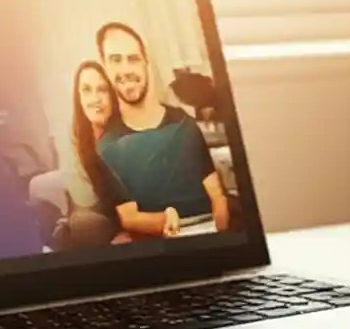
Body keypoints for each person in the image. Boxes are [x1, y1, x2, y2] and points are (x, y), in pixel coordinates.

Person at [94, 21, 230, 234]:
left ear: (145, 63)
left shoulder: (183, 123)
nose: (126, 69)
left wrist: (222, 231)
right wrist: (164, 221)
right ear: (105, 68)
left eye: (133, 59)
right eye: (115, 60)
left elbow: (216, 194)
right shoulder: (108, 148)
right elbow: (128, 218)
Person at [65, 60, 176, 242]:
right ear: (78, 98)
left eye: (102, 89)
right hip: (103, 225)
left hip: (144, 220)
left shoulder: (129, 135)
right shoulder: (76, 141)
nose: (95, 99)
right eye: (86, 90)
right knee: (83, 223)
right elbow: (86, 204)